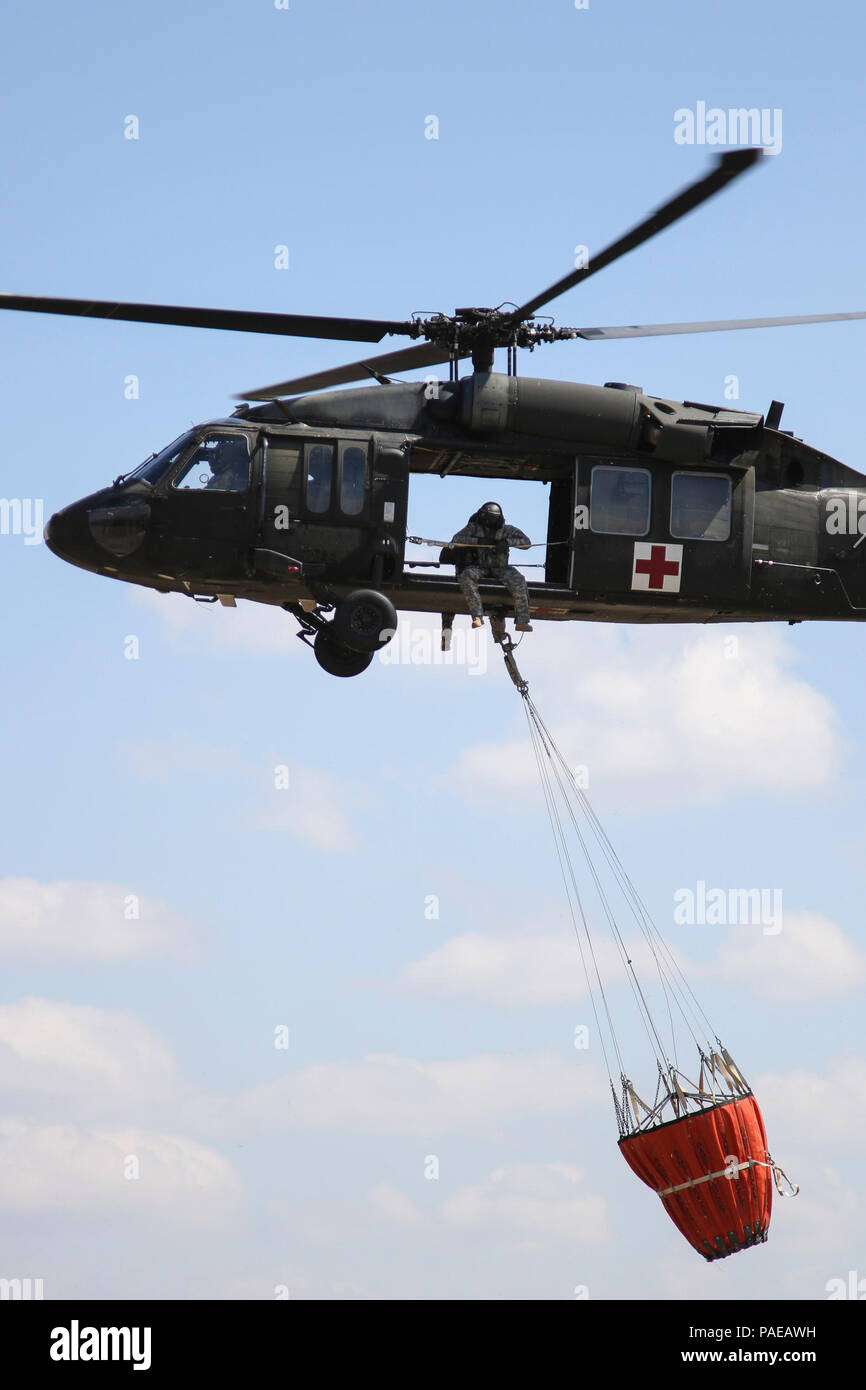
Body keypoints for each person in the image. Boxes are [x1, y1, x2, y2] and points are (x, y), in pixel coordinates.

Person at [450, 502, 533, 631]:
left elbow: (527, 543)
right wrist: (478, 542)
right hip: (479, 566)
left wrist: (506, 543)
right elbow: (456, 540)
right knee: (466, 576)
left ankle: (522, 621)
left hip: (500, 568)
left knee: (519, 580)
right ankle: (477, 616)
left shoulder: (507, 530)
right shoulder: (473, 528)